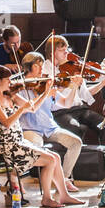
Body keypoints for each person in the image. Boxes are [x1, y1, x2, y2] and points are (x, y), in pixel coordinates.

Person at [0, 64, 82, 208]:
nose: (10, 82)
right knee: (50, 161)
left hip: (18, 140)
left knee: (55, 157)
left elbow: (33, 107)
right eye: (8, 80)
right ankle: (47, 198)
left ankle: (64, 195)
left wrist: (46, 92)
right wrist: (21, 110)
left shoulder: (10, 95)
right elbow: (6, 123)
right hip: (8, 145)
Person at [47, 37, 105, 176]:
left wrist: (103, 83)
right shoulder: (46, 69)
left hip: (79, 109)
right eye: (62, 50)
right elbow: (50, 94)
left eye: (67, 49)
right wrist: (66, 84)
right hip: (60, 111)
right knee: (75, 127)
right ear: (52, 52)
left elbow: (86, 94)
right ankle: (76, 169)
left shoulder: (73, 67)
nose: (66, 53)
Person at [16, 51, 84, 185]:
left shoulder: (45, 83)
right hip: (29, 129)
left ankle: (64, 178)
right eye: (38, 66)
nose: (42, 69)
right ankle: (16, 177)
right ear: (29, 67)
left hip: (50, 127)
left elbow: (66, 103)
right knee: (37, 148)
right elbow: (30, 107)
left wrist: (74, 87)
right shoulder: (20, 88)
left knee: (76, 142)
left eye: (41, 65)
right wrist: (46, 94)